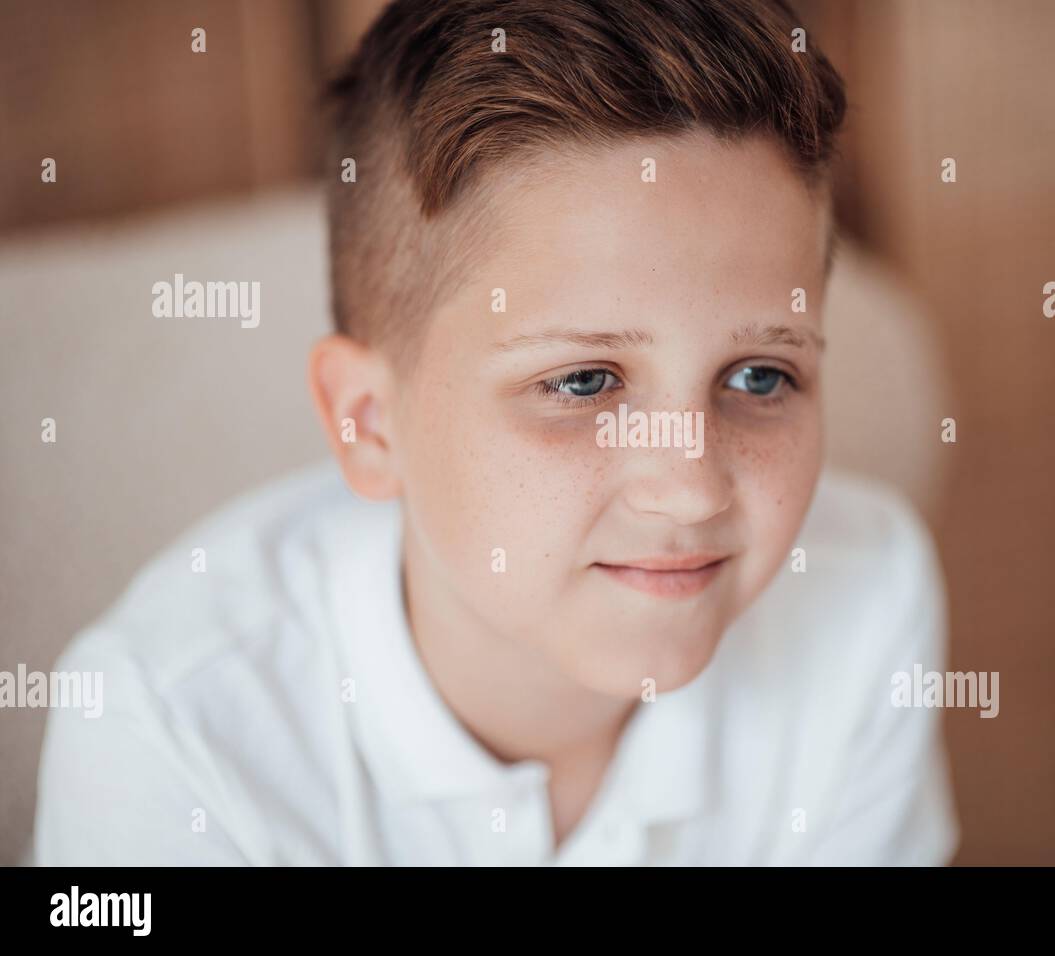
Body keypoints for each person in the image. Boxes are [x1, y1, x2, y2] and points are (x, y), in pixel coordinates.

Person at [34, 0, 958, 865]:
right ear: (370, 424)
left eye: (762, 376)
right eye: (582, 381)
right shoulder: (166, 732)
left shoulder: (865, 599)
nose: (691, 487)